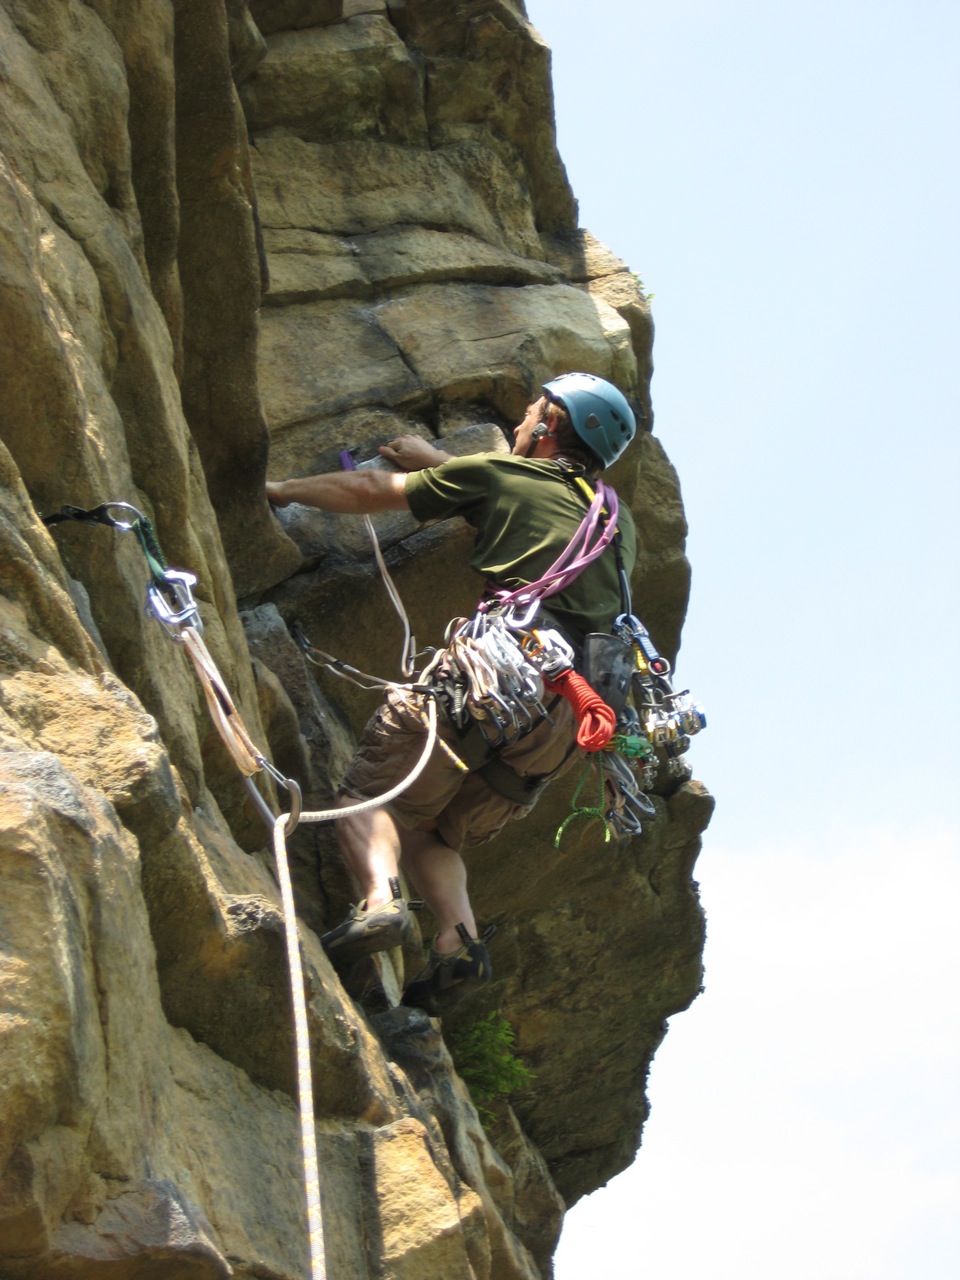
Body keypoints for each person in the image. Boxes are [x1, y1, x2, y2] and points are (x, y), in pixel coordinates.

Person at [266, 373, 638, 1014]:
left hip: (496, 677)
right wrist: (445, 464)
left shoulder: (504, 474)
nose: (520, 423)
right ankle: (457, 940)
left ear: (549, 424)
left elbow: (369, 488)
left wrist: (273, 489)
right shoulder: (614, 517)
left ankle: (381, 905)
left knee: (366, 796)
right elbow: (521, 501)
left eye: (529, 414)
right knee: (431, 829)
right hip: (569, 719)